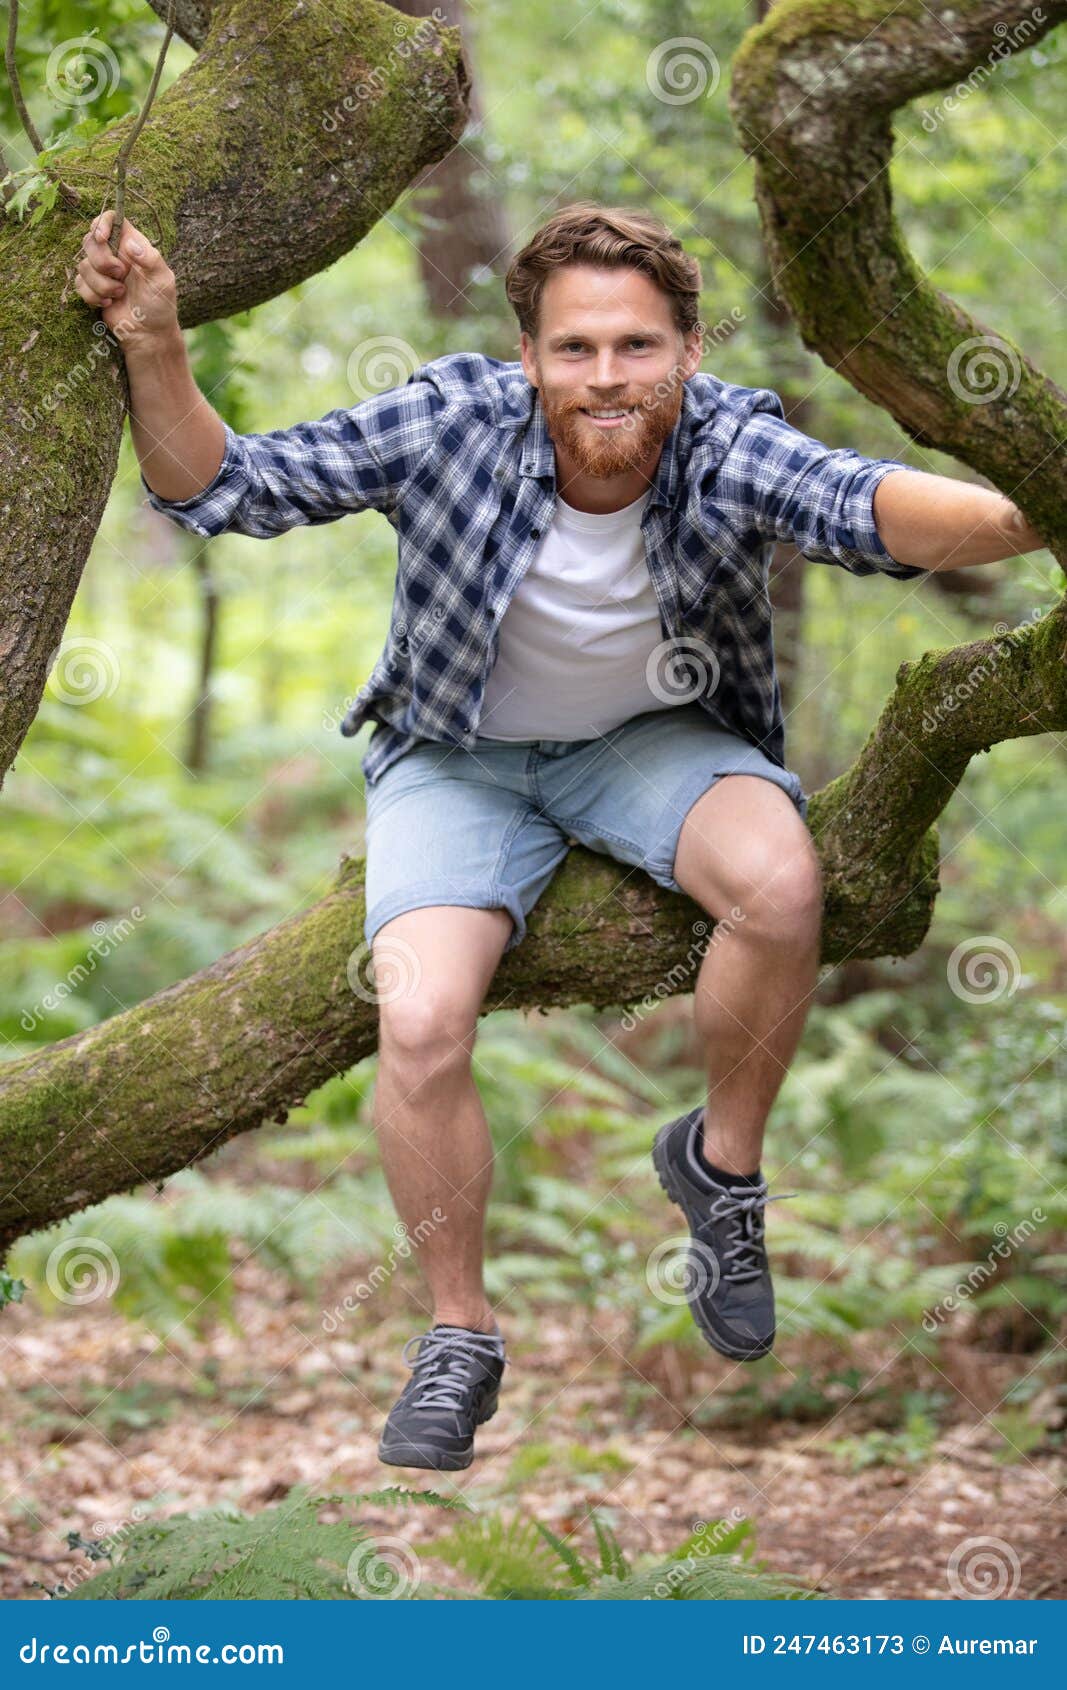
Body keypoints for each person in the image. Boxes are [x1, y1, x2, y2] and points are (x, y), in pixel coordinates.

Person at [75, 200, 1045, 1473]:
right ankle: (459, 1334)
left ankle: (720, 1171)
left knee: (779, 879)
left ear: (687, 353)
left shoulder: (727, 439)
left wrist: (1036, 505)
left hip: (652, 739)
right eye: (576, 347)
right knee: (419, 1021)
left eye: (636, 347)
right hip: (454, 759)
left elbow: (870, 509)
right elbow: (229, 485)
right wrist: (154, 341)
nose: (605, 376)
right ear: (527, 353)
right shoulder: (449, 419)